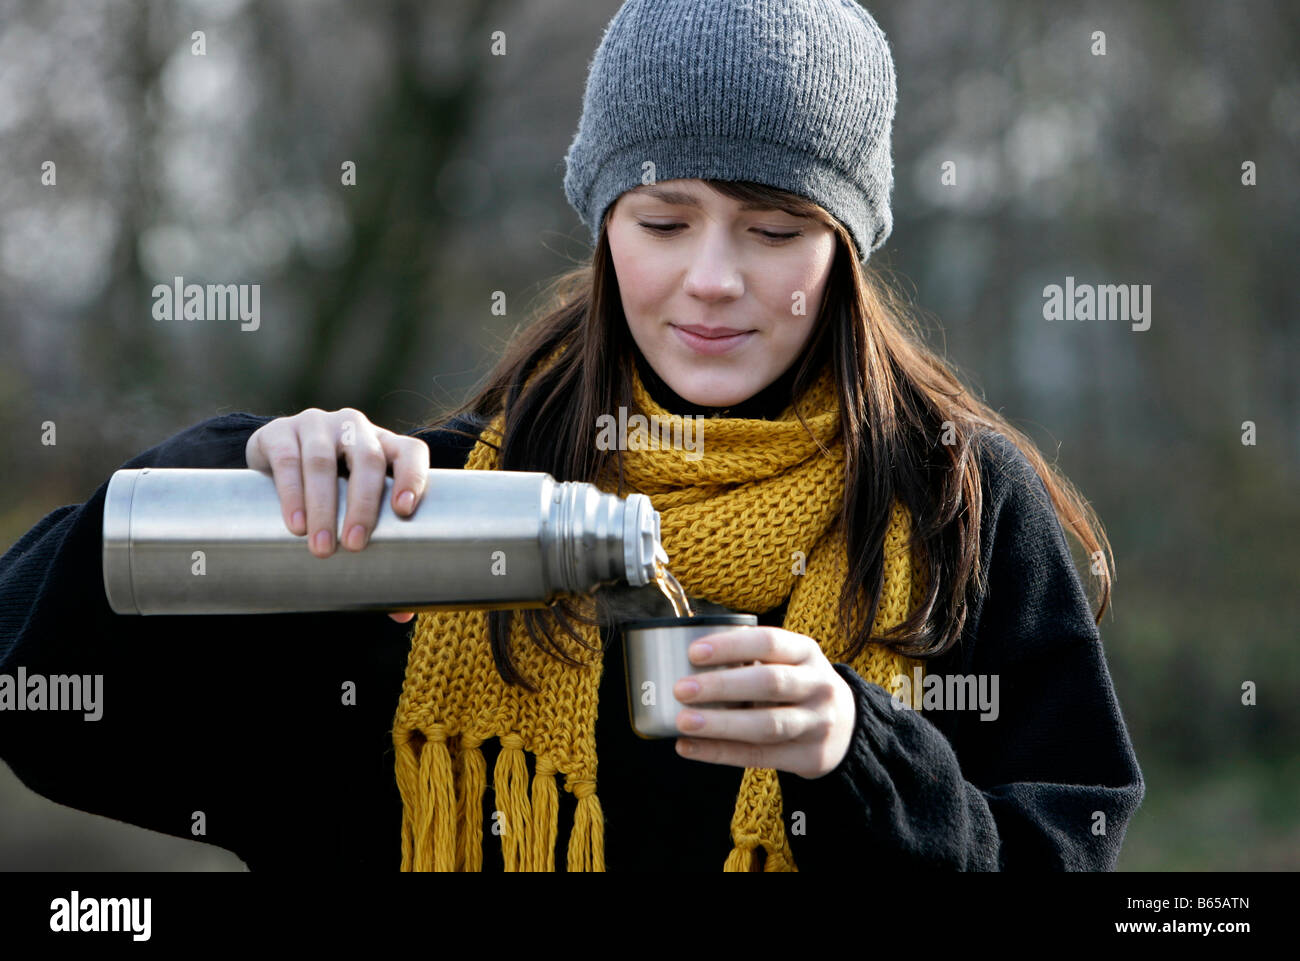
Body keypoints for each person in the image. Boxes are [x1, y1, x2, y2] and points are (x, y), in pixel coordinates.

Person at [0, 0, 1143, 872]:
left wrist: (861, 755)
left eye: (776, 227)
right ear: (602, 225)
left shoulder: (958, 509)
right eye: (662, 219)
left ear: (845, 248)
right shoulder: (433, 520)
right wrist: (240, 473)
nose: (711, 280)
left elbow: (1066, 845)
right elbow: (43, 699)